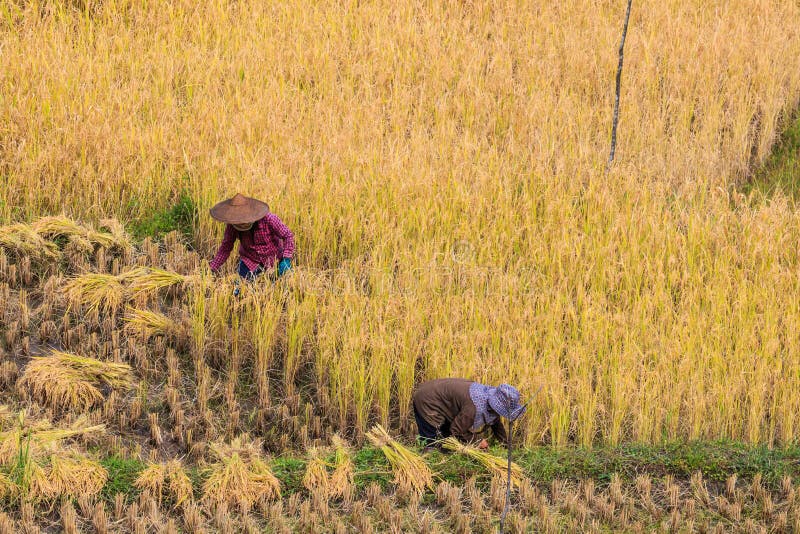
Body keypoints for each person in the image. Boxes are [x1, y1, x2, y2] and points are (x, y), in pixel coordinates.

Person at [412, 378, 526, 450]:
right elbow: (456, 430)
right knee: (432, 442)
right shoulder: (474, 408)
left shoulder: (488, 398)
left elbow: (496, 423)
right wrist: (477, 441)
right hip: (427, 400)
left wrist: (506, 445)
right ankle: (426, 466)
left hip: (439, 395)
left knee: (446, 441)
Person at [208, 193, 295, 280]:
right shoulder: (232, 226)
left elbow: (288, 235)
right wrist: (211, 268)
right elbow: (225, 248)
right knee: (241, 288)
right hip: (250, 261)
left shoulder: (269, 219)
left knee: (283, 284)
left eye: (244, 221)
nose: (241, 224)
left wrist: (286, 258)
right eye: (239, 223)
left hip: (275, 260)